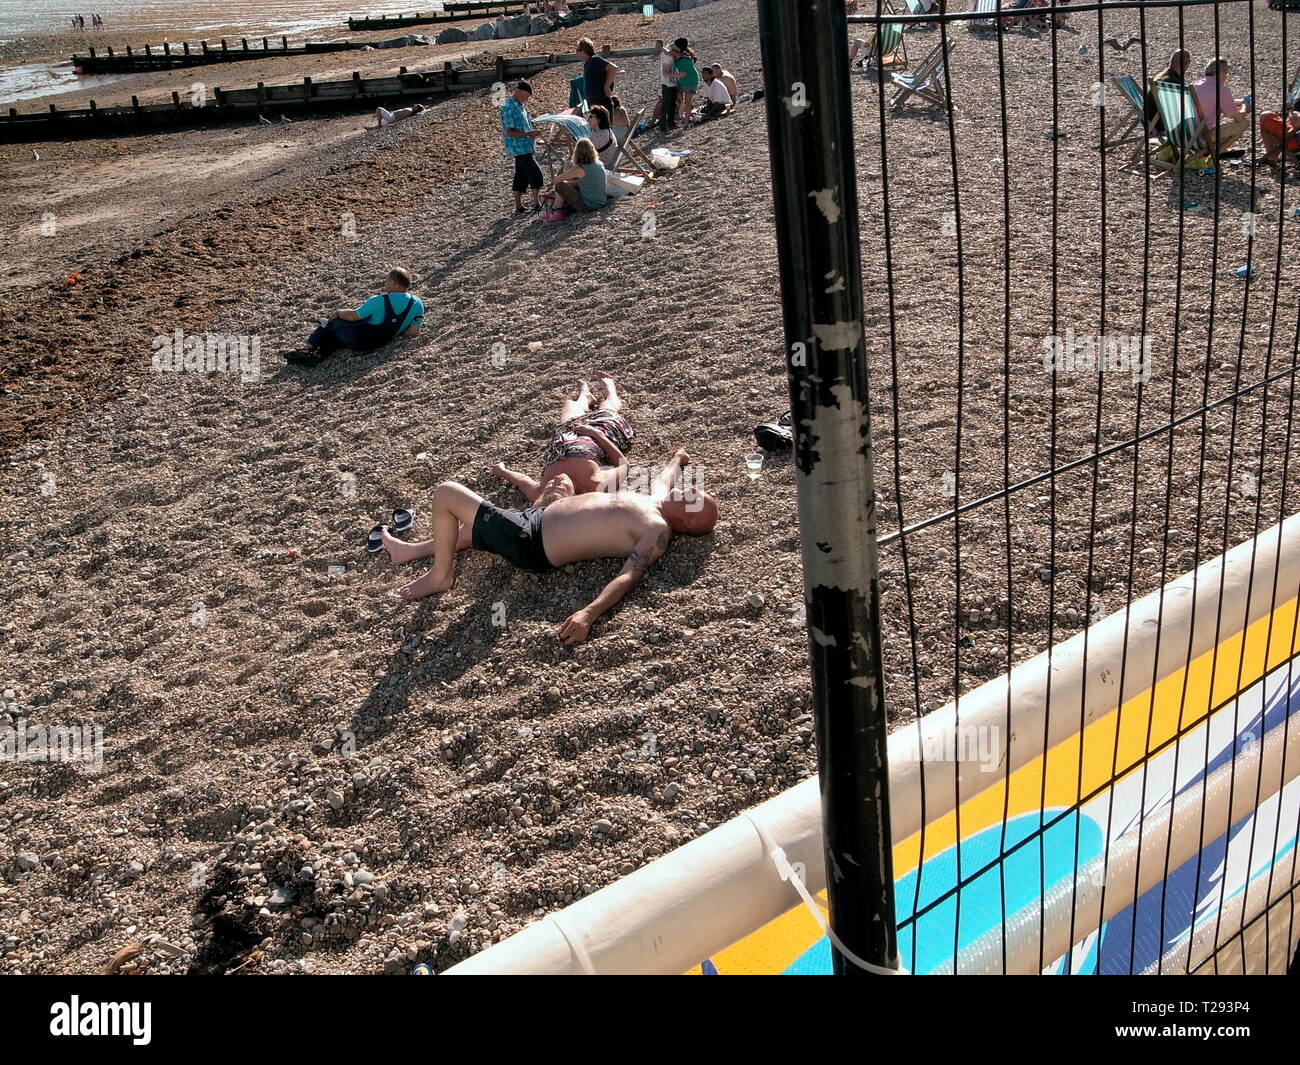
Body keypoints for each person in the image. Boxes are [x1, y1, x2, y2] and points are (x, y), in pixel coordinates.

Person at [381, 457, 720, 647]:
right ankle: (409, 551)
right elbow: (666, 475)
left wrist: (589, 613)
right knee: (472, 530)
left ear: (686, 524)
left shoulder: (658, 528)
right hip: (534, 520)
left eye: (694, 500)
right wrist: (679, 458)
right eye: (694, 490)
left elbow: (631, 574)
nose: (690, 491)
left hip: (531, 542)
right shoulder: (657, 500)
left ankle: (442, 576)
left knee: (447, 494)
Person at [491, 376, 635, 499]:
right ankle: (611, 390)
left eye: (550, 487)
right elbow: (624, 465)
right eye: (559, 487)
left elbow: (522, 480)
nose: (556, 480)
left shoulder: (539, 492)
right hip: (599, 433)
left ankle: (586, 395)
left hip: (567, 435)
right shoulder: (595, 484)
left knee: (570, 405)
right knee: (607, 407)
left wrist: (502, 471)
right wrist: (596, 434)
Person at [286, 268, 423, 366]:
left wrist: (339, 312)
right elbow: (413, 332)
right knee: (335, 338)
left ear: (393, 282)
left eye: (386, 281)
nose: (384, 284)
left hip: (358, 340)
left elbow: (354, 316)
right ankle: (318, 355)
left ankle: (308, 347)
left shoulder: (379, 300)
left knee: (327, 324)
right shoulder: (417, 303)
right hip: (378, 342)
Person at [501, 79, 544, 213]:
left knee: (521, 175)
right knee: (535, 173)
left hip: (526, 146)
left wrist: (532, 132)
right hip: (518, 147)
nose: (526, 99)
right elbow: (509, 131)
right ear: (520, 92)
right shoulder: (508, 106)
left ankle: (518, 205)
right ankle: (536, 202)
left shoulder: (520, 105)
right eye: (526, 96)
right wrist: (529, 133)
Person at [1193, 57, 1251, 155]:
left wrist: (1240, 102)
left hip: (1185, 134)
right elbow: (1238, 118)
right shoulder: (1220, 89)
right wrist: (1245, 107)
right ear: (1222, 72)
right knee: (1244, 123)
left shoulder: (1195, 85)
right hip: (1202, 137)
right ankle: (1218, 152)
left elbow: (1215, 102)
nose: (1226, 77)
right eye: (1227, 73)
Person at [552, 138, 608, 214]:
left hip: (589, 206)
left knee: (560, 185)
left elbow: (556, 180)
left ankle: (556, 211)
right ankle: (555, 209)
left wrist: (567, 183)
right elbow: (589, 181)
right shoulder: (599, 163)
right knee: (570, 184)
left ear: (577, 152)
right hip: (602, 202)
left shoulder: (580, 168)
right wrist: (570, 184)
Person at [1143, 49, 1190, 130]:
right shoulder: (1173, 83)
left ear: (1171, 61)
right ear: (1187, 64)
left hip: (1147, 119)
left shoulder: (1161, 76)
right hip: (1160, 124)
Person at [578, 37, 618, 115]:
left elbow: (613, 68)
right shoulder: (588, 63)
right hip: (595, 105)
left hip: (602, 104)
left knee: (604, 127)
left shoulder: (595, 61)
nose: (577, 53)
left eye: (578, 50)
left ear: (585, 51)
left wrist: (606, 87)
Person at [669, 38, 701, 127]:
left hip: (688, 80)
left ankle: (683, 119)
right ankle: (684, 120)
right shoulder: (687, 53)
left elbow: (666, 50)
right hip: (691, 78)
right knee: (686, 101)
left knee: (686, 101)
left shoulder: (677, 53)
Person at [1259, 100, 1300, 168]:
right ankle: (1273, 154)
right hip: (1293, 138)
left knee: (1265, 115)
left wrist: (1290, 109)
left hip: (1294, 142)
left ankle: (1272, 156)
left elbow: (1296, 123)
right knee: (1270, 128)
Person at [650, 41, 679, 134]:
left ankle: (671, 124)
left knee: (672, 105)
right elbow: (665, 71)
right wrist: (679, 75)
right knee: (665, 105)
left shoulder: (670, 51)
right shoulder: (667, 55)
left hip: (673, 82)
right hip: (668, 83)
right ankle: (663, 127)